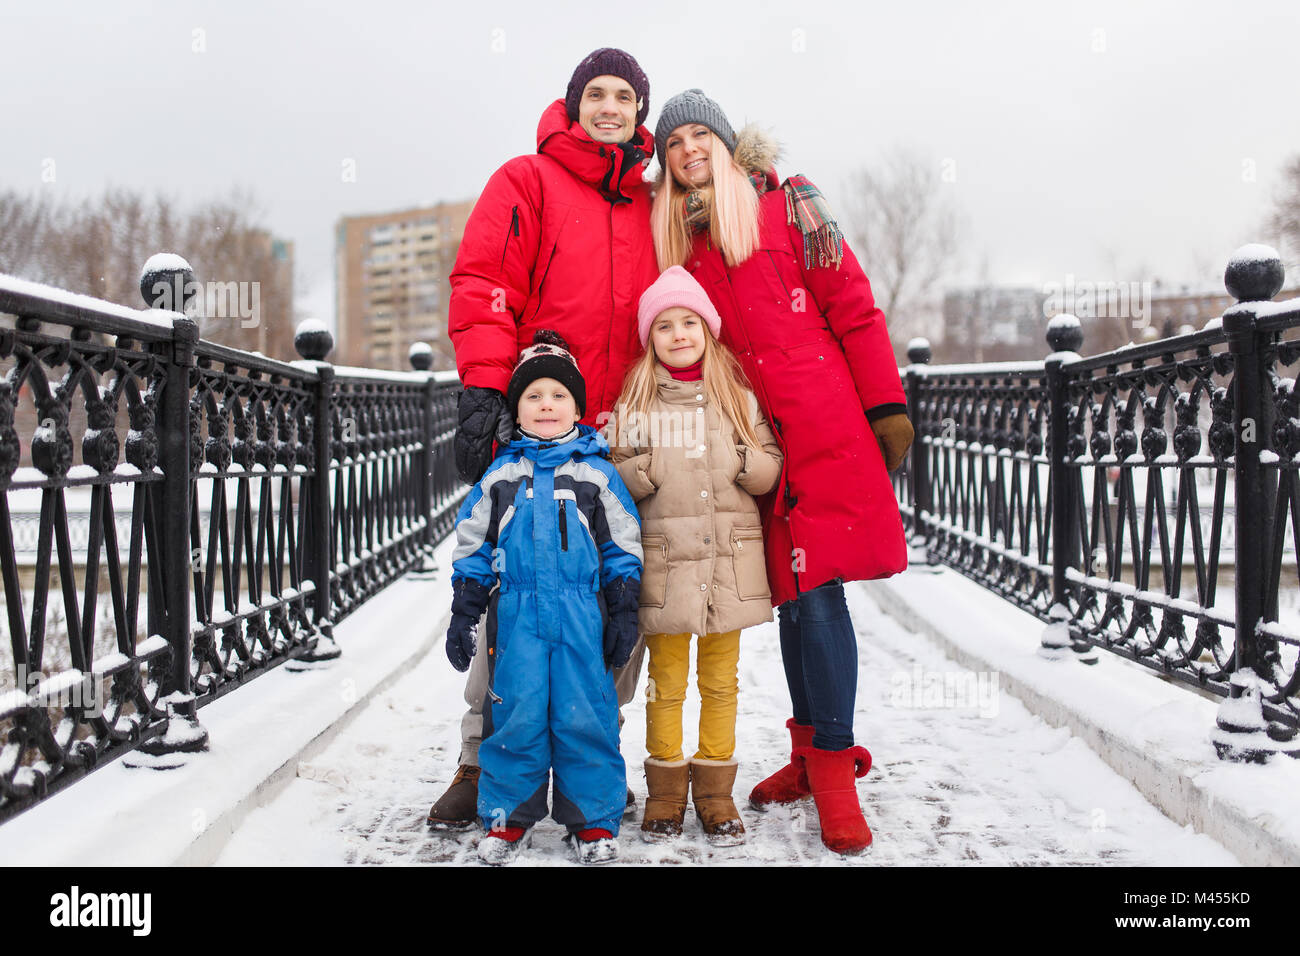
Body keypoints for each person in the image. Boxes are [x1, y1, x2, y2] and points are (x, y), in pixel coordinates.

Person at [650, 89, 915, 855]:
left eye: (702, 134)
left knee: (822, 594)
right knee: (793, 600)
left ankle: (835, 772)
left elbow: (854, 308)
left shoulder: (789, 204)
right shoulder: (679, 237)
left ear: (731, 144)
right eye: (675, 143)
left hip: (824, 423)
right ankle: (806, 754)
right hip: (752, 439)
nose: (690, 149)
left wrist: (883, 406)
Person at [432, 47, 660, 829]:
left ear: (640, 114)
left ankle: (592, 757)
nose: (608, 107)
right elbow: (486, 284)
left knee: (612, 597)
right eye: (594, 93)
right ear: (572, 104)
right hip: (538, 427)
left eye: (623, 96)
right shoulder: (526, 181)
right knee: (512, 599)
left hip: (623, 433)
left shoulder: (652, 204)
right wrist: (486, 393)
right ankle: (480, 757)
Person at [445, 330, 643, 865]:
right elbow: (473, 541)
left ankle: (593, 822)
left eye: (558, 396)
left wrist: (623, 604)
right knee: (516, 713)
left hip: (583, 613)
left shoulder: (596, 475)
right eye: (533, 397)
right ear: (517, 409)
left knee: (587, 714)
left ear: (577, 407)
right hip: (517, 614)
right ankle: (509, 817)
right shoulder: (502, 475)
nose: (547, 405)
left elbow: (623, 542)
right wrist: (467, 604)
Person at [606, 267, 783, 845]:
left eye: (689, 322)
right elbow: (614, 473)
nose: (679, 334)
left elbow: (770, 467)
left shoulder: (737, 396)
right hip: (665, 564)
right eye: (664, 325)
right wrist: (647, 471)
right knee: (666, 682)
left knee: (721, 681)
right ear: (649, 337)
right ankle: (663, 793)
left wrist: (740, 460)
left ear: (708, 329)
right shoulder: (637, 399)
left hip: (728, 566)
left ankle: (714, 791)